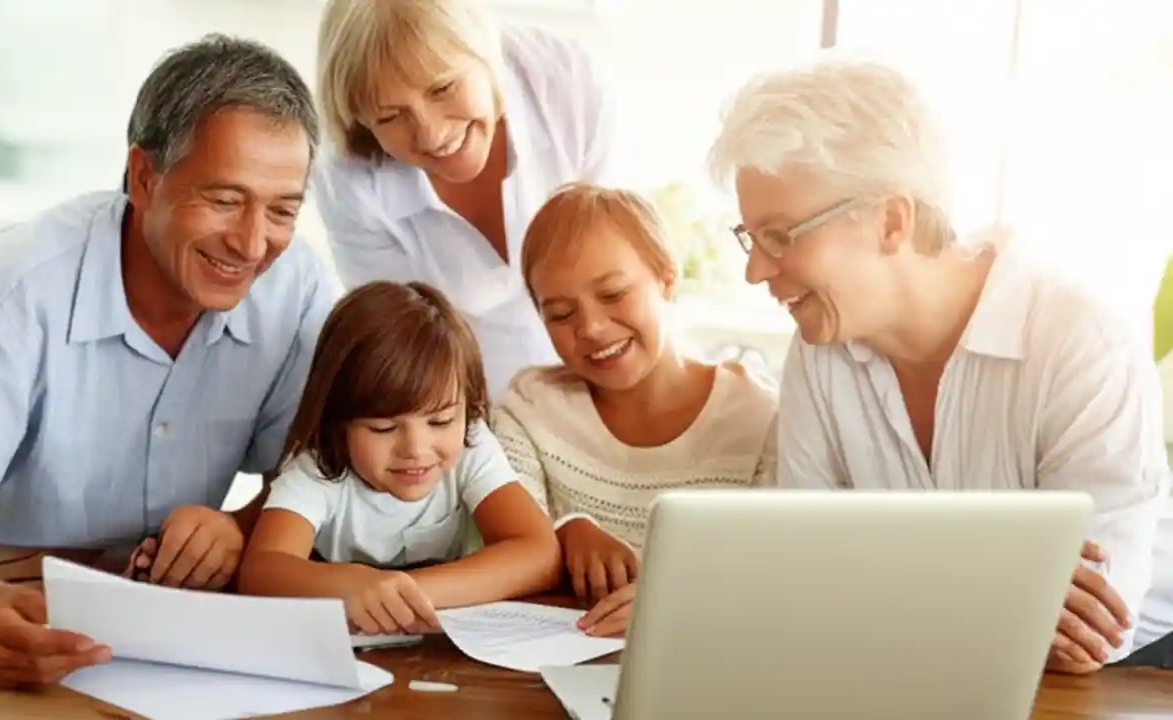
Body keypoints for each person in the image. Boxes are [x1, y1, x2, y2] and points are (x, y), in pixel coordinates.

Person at [0, 35, 335, 688]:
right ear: (144, 178)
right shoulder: (11, 295)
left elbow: (327, 472)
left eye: (281, 211)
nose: (251, 243)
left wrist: (240, 526)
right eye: (224, 200)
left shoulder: (296, 290)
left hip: (168, 641)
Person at [708, 57, 1173, 672]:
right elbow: (800, 572)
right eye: (750, 237)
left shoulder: (1077, 338)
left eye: (780, 236)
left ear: (891, 221)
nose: (755, 270)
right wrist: (1006, 582)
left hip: (1134, 679)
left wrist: (865, 578)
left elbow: (1086, 638)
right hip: (927, 667)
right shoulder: (821, 353)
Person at [492, 183, 778, 638]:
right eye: (561, 314)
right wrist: (565, 529)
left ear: (666, 277)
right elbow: (505, 538)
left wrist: (672, 603)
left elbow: (775, 570)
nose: (591, 327)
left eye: (613, 294)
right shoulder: (529, 407)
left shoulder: (760, 418)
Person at [311, 0, 619, 399]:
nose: (432, 135)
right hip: (472, 397)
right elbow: (404, 341)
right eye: (390, 116)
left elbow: (618, 264)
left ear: (485, 54)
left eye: (442, 88)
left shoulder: (565, 81)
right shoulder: (348, 180)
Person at [238, 281, 559, 634]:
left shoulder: (471, 443)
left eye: (440, 421)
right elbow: (261, 570)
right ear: (336, 424)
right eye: (384, 428)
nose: (416, 449)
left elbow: (540, 553)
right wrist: (349, 584)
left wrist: (403, 593)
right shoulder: (320, 466)